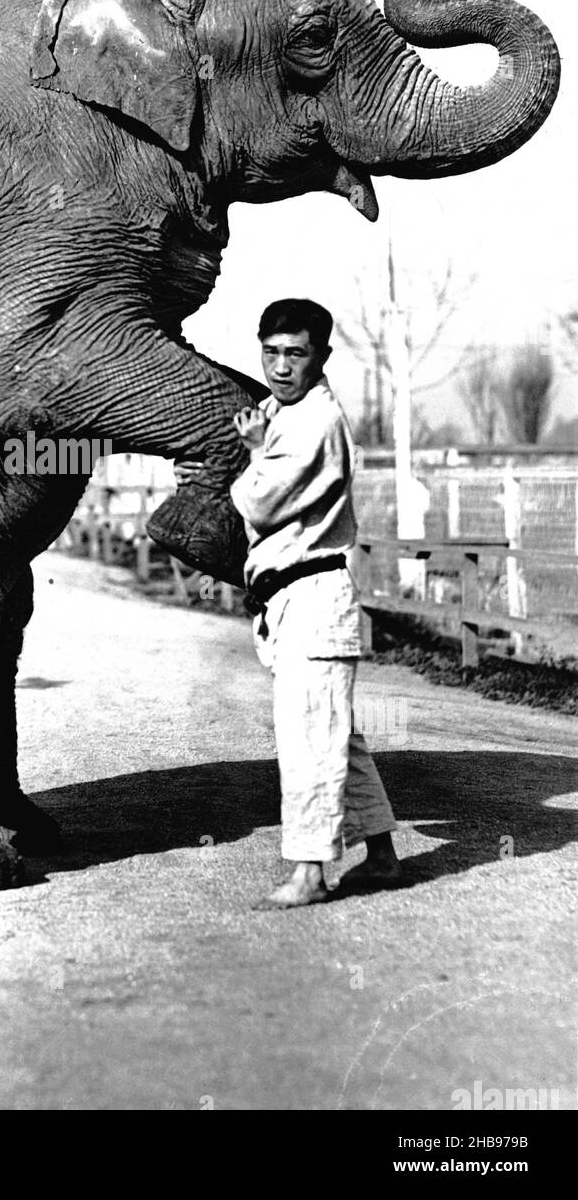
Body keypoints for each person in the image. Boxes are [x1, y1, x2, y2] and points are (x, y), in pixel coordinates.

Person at [177, 298, 402, 909]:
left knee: (310, 738)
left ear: (321, 356)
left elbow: (260, 502)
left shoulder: (314, 423)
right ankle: (381, 856)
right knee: (334, 734)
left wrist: (251, 453)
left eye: (295, 353)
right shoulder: (283, 412)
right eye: (271, 352)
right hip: (289, 597)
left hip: (314, 591)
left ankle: (310, 871)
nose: (280, 366)